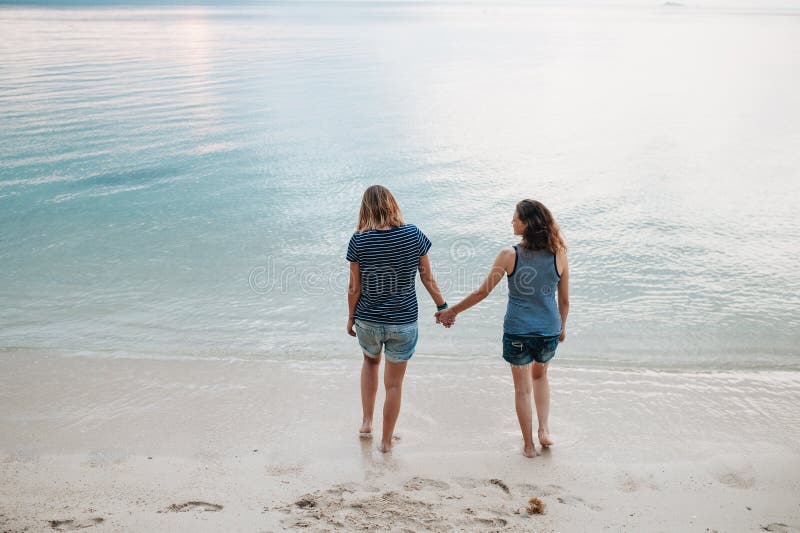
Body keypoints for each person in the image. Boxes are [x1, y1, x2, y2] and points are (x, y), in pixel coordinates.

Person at [435, 199, 569, 458]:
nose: (512, 222)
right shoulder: (559, 254)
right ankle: (544, 431)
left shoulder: (510, 255)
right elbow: (564, 299)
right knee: (540, 377)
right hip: (548, 331)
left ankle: (528, 446)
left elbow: (482, 292)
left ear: (527, 223)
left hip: (518, 332)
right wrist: (562, 327)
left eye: (515, 218)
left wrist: (452, 311)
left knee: (522, 389)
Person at [346, 185, 447, 453]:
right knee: (394, 384)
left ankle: (367, 422)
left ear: (365, 209)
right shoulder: (413, 235)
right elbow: (427, 277)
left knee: (370, 362)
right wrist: (442, 305)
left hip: (367, 318)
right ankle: (386, 441)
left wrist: (350, 317)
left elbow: (354, 287)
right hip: (403, 321)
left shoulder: (359, 240)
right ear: (393, 205)